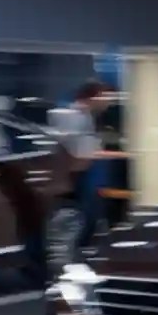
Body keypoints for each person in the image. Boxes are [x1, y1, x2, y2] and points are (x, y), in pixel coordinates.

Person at [47, 79, 113, 251]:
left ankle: (82, 245)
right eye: (105, 97)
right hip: (78, 170)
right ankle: (78, 246)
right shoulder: (72, 116)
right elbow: (69, 146)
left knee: (90, 210)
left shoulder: (87, 116)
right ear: (93, 97)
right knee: (87, 210)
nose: (108, 102)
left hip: (84, 168)